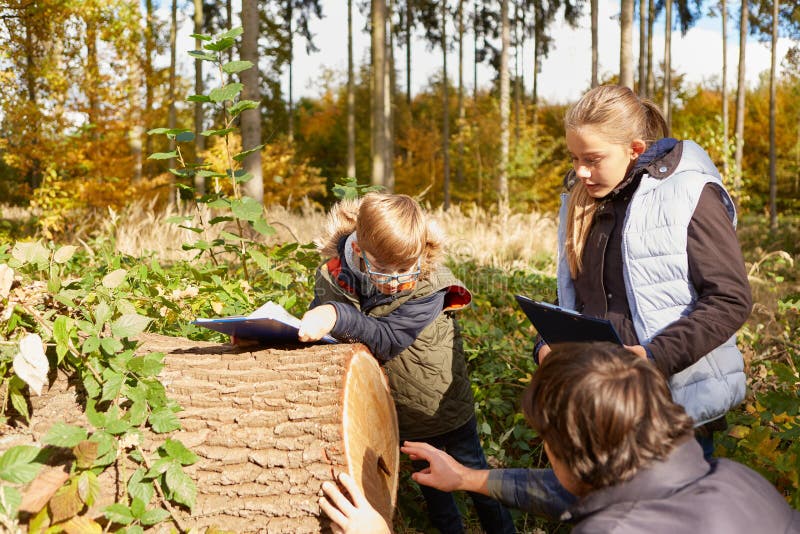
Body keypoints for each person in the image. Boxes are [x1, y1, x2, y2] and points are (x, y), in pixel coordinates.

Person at [319, 343, 800, 533]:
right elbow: (577, 492)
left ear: (576, 453)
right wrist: (466, 478)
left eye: (548, 439)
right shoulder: (735, 478)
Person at [535, 84, 752, 458]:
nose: (581, 171)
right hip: (601, 401)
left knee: (678, 514)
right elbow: (578, 297)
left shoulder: (689, 194)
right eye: (573, 158)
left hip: (672, 406)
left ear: (634, 149)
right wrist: (546, 345)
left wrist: (653, 358)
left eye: (592, 158)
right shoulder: (582, 202)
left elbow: (730, 299)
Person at [298, 193, 515, 534]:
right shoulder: (335, 277)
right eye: (387, 270)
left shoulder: (429, 284)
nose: (399, 279)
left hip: (444, 410)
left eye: (405, 268)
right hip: (398, 414)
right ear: (358, 252)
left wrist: (337, 316)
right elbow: (319, 326)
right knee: (436, 498)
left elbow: (387, 338)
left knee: (476, 481)